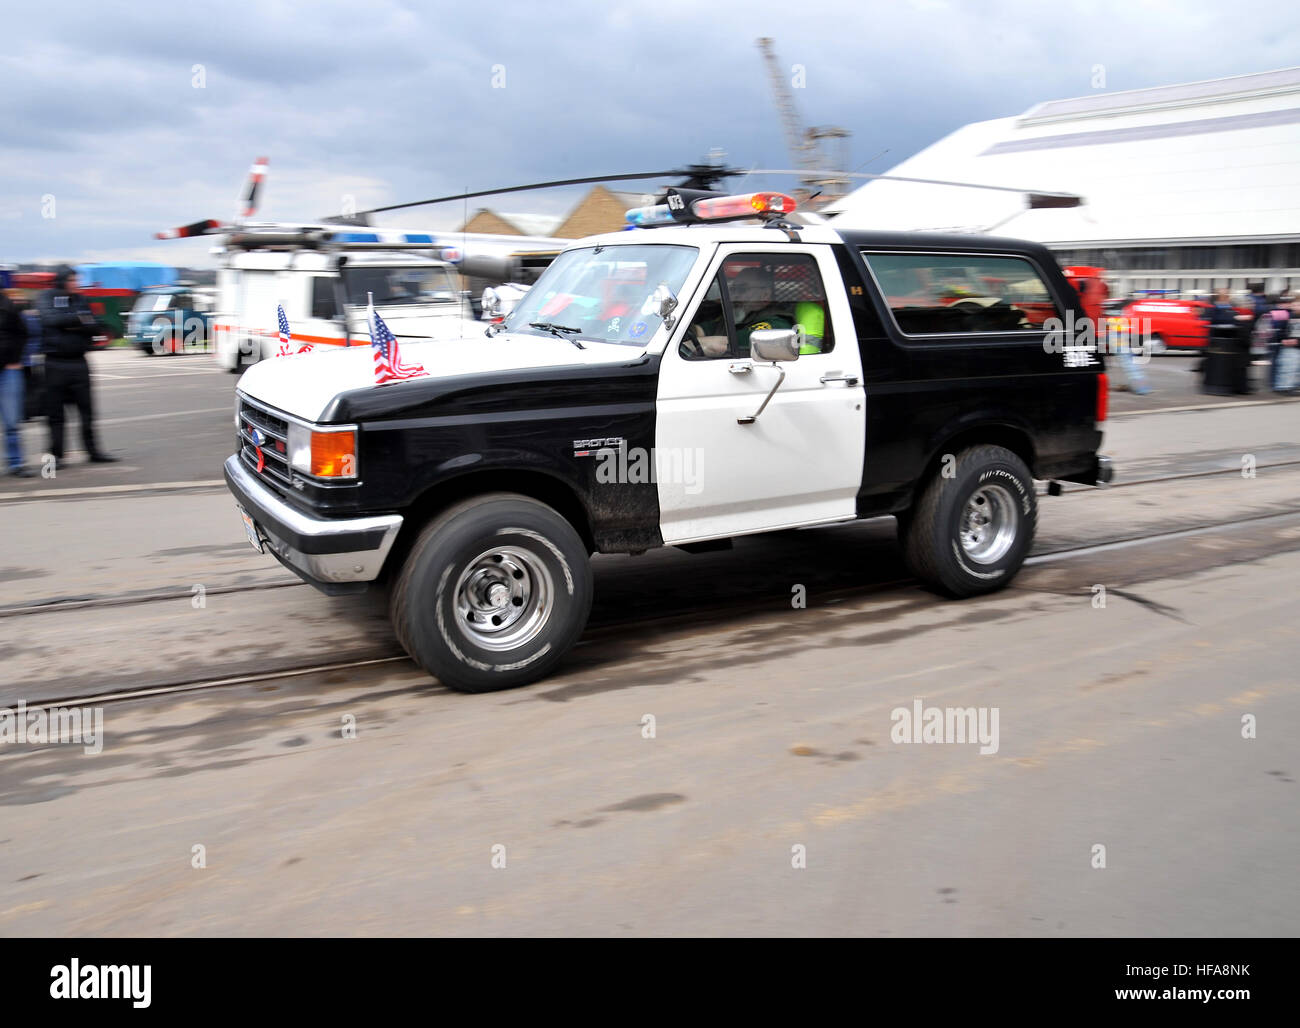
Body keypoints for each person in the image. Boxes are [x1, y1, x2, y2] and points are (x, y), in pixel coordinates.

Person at [37, 267, 118, 466]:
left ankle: (93, 451)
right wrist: (79, 320)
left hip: (79, 362)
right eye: (72, 279)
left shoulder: (81, 299)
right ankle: (56, 455)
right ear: (62, 280)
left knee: (87, 411)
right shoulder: (46, 297)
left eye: (77, 279)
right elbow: (50, 319)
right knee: (56, 414)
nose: (76, 283)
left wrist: (74, 322)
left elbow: (96, 324)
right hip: (55, 363)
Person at [0, 289, 33, 476]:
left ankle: (16, 463)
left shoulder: (7, 306)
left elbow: (23, 333)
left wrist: (16, 359)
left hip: (7, 370)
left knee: (12, 422)